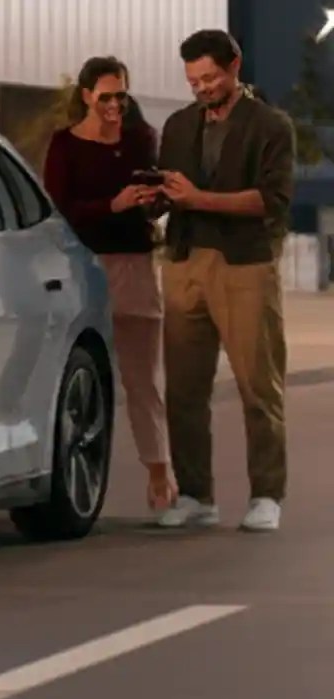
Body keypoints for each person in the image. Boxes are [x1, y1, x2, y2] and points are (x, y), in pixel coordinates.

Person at [153, 29, 295, 531]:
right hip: (184, 260)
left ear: (234, 65)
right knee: (185, 388)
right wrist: (159, 198)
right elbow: (175, 189)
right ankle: (195, 495)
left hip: (244, 265)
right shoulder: (176, 125)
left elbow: (270, 201)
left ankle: (266, 495)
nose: (202, 88)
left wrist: (198, 200)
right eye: (193, 80)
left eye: (210, 77)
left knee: (259, 384)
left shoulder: (270, 126)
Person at [43, 56, 177, 512]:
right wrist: (112, 205)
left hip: (136, 267)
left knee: (143, 380)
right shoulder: (64, 146)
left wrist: (154, 202)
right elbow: (60, 214)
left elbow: (154, 208)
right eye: (106, 97)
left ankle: (160, 476)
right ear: (85, 95)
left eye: (121, 95)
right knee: (80, 380)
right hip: (84, 268)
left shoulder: (142, 140)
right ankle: (71, 477)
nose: (115, 105)